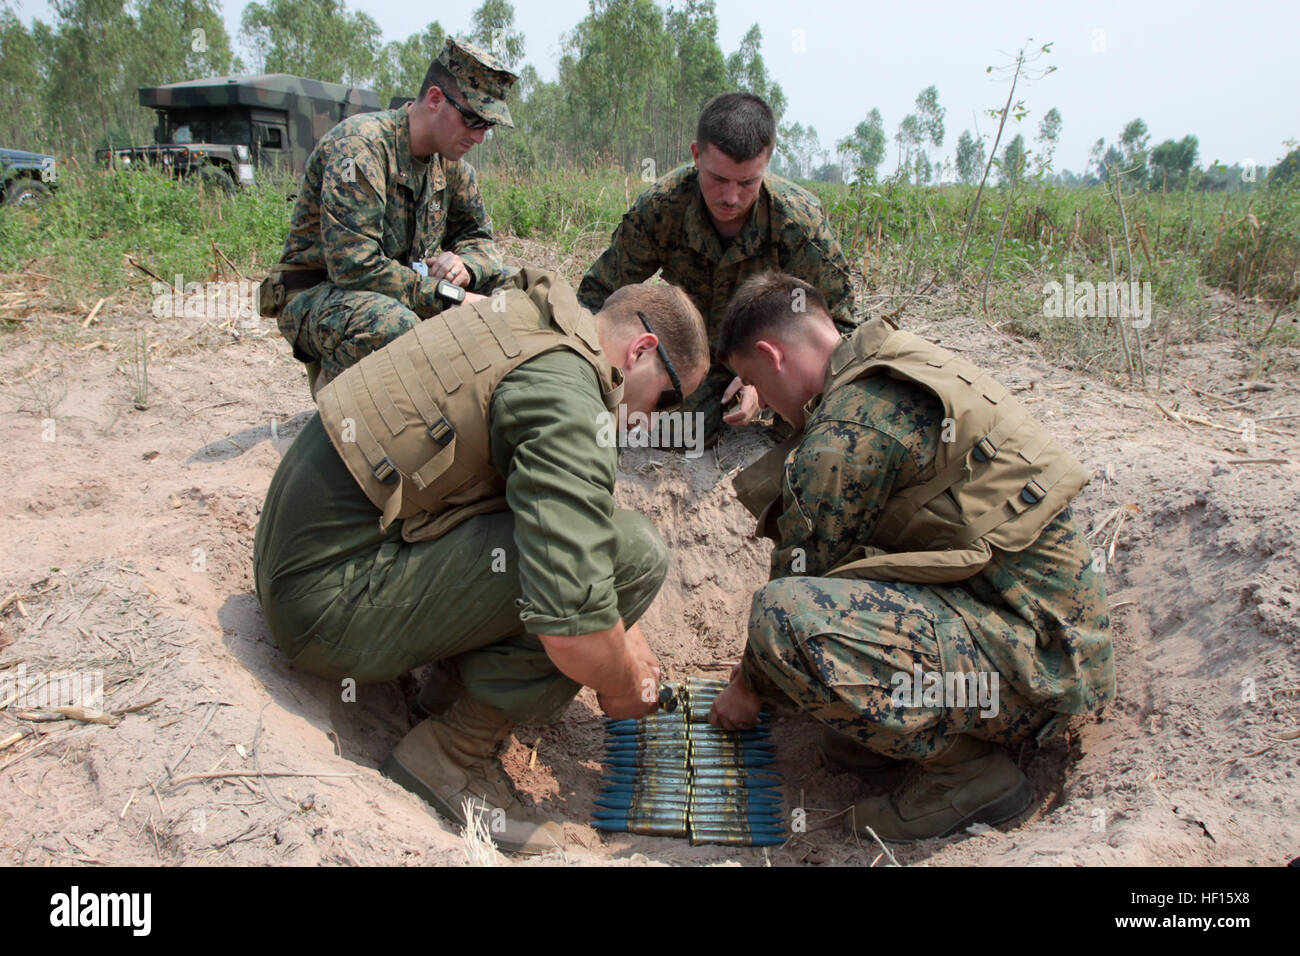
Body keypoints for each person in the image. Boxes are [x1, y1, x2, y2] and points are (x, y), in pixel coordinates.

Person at [253, 269, 709, 854]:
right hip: (327, 601)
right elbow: (573, 620)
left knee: (596, 552)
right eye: (668, 399)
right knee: (633, 556)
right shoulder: (570, 402)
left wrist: (630, 632)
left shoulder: (535, 320)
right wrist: (623, 685)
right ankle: (450, 757)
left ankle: (445, 692)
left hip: (303, 554)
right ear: (643, 349)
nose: (654, 420)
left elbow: (559, 514)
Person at [706, 272, 1115, 843]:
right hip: (1038, 636)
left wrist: (746, 689)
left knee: (782, 619)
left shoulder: (848, 427)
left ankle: (968, 775)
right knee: (833, 712)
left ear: (772, 355)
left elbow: (804, 574)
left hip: (1041, 668)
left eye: (754, 381)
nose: (765, 404)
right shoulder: (891, 360)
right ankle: (904, 733)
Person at [578, 92, 857, 445]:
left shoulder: (797, 222)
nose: (731, 197)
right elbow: (595, 296)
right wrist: (597, 375)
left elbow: (841, 329)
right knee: (669, 430)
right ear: (696, 155)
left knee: (809, 424)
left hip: (771, 358)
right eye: (718, 178)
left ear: (767, 164)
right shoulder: (664, 206)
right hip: (694, 357)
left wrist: (765, 383)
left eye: (747, 183)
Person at [259, 38, 518, 395]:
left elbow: (482, 241)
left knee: (518, 290)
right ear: (435, 99)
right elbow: (354, 268)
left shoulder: (453, 167)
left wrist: (465, 266)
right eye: (472, 119)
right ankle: (338, 402)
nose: (478, 136)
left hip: (400, 291)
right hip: (321, 293)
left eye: (487, 126)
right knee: (395, 326)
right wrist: (450, 297)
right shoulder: (360, 149)